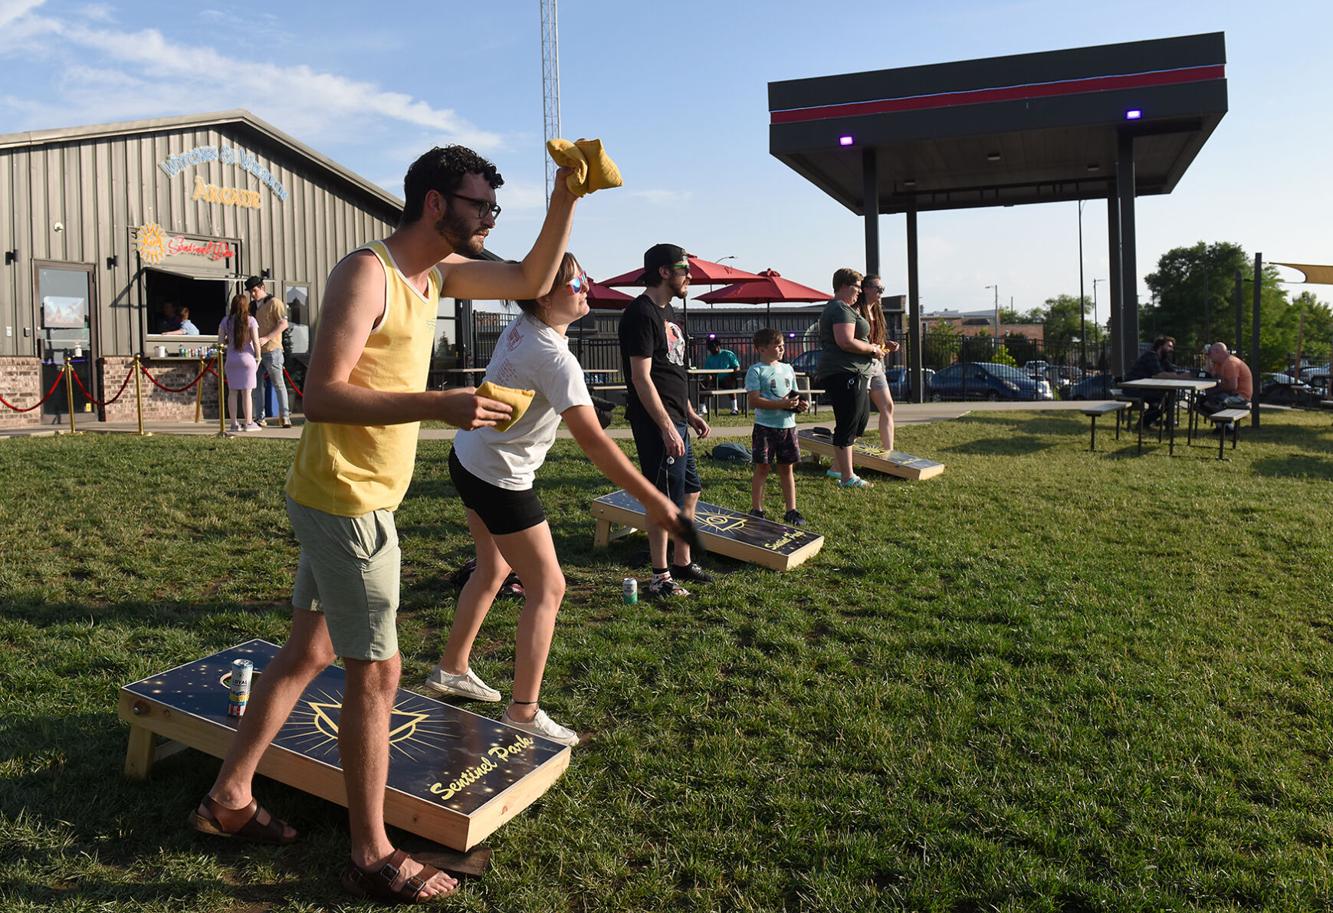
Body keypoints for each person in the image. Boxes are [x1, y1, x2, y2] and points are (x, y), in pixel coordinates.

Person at [195, 144, 586, 905]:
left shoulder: (433, 273)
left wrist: (567, 196)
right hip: (344, 498)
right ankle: (371, 851)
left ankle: (228, 799)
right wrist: (438, 404)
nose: (489, 219)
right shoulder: (367, 271)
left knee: (308, 651)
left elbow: (532, 280)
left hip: (354, 494)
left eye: (494, 208)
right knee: (378, 673)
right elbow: (323, 396)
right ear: (435, 204)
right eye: (479, 206)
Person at [427, 252, 686, 747]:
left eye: (584, 278)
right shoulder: (554, 356)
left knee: (493, 568)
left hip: (468, 458)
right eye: (575, 283)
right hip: (499, 477)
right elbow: (593, 442)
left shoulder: (523, 324)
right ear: (545, 295)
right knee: (549, 587)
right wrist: (651, 497)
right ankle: (523, 711)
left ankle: (452, 668)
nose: (585, 287)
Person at [618, 243, 712, 598]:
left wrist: (688, 413)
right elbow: (642, 378)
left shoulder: (670, 312)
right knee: (662, 499)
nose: (690, 276)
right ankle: (660, 577)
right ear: (663, 271)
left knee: (690, 490)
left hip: (677, 418)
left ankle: (682, 562)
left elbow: (671, 370)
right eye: (684, 269)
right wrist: (667, 426)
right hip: (656, 422)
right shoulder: (640, 313)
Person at [816, 267, 883, 488]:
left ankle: (839, 468)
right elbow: (845, 341)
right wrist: (872, 349)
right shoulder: (839, 308)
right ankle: (847, 477)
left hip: (855, 372)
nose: (860, 291)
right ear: (844, 285)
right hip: (844, 372)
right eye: (857, 286)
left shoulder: (845, 308)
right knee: (847, 423)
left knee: (859, 421)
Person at [745, 327, 807, 526]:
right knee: (762, 468)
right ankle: (757, 509)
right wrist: (780, 404)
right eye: (777, 346)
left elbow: (794, 395)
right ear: (762, 349)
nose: (782, 349)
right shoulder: (756, 370)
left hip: (788, 426)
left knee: (786, 469)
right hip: (765, 427)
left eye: (782, 346)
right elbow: (754, 401)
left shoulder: (788, 368)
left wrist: (801, 405)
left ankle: (791, 510)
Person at [858, 275, 901, 451]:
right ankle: (842, 458)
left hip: (876, 365)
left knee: (887, 406)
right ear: (866, 289)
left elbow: (876, 339)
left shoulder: (876, 310)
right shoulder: (857, 311)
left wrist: (886, 344)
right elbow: (857, 340)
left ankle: (888, 450)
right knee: (859, 413)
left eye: (883, 289)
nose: (881, 292)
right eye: (878, 289)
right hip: (861, 365)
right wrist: (874, 347)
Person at [247, 276, 293, 428]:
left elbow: (283, 324)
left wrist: (267, 338)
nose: (252, 294)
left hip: (273, 349)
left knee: (278, 383)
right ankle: (260, 418)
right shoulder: (252, 306)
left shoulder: (275, 302)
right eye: (250, 292)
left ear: (262, 287)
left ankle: (285, 416)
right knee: (256, 385)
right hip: (256, 352)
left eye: (254, 290)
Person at [218, 294, 261, 432]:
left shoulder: (225, 321)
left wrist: (228, 341)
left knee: (232, 392)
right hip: (247, 358)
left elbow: (219, 342)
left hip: (231, 359)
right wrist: (258, 357)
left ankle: (233, 423)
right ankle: (249, 423)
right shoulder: (251, 320)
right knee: (246, 393)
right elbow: (255, 341)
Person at [1123, 335, 1181, 428]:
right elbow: (1159, 374)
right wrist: (1179, 376)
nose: (1172, 349)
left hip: (1144, 388)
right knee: (1164, 399)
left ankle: (1145, 422)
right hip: (1132, 388)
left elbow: (1173, 371)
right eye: (1169, 346)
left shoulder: (1162, 359)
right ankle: (1144, 423)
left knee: (1167, 398)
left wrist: (1181, 374)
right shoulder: (1150, 355)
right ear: (1160, 346)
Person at [1198, 341, 1253, 418]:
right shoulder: (1218, 364)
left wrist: (1214, 391)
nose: (1209, 356)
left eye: (1210, 353)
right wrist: (1208, 362)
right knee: (1201, 402)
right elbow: (1210, 376)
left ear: (1217, 352)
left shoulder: (1231, 363)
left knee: (1217, 401)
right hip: (1231, 394)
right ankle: (1220, 425)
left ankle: (1227, 427)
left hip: (1240, 396)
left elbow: (1232, 387)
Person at [702, 336, 742, 414]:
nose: (713, 347)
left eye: (714, 345)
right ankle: (702, 408)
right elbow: (707, 372)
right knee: (701, 385)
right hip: (714, 380)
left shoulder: (728, 354)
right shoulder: (709, 359)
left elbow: (736, 367)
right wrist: (708, 377)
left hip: (727, 378)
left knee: (729, 383)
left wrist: (734, 375)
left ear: (718, 345)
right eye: (710, 346)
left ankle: (735, 408)